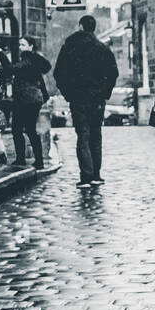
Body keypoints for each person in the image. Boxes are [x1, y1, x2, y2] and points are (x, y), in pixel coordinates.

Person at [53, 14, 118, 188]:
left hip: (78, 98)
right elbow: (113, 74)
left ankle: (86, 176)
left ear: (80, 26)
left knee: (83, 135)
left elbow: (58, 73)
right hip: (97, 99)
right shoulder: (102, 49)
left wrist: (68, 94)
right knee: (96, 136)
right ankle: (96, 175)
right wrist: (104, 93)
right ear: (93, 28)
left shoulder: (69, 47)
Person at [0, 37, 51, 171]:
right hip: (30, 99)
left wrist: (1, 54)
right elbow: (39, 79)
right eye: (19, 44)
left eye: (23, 44)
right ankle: (32, 160)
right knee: (24, 129)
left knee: (23, 129)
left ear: (31, 46)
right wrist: (44, 95)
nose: (20, 47)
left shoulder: (28, 60)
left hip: (26, 100)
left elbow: (10, 69)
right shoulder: (33, 60)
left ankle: (31, 160)